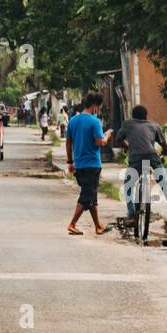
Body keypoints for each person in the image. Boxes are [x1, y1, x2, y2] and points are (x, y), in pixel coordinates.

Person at [114, 105, 167, 229]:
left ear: (133, 116)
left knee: (128, 185)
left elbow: (118, 140)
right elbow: (165, 147)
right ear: (146, 116)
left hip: (135, 158)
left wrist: (127, 146)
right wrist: (165, 153)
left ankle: (132, 215)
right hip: (152, 156)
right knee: (165, 185)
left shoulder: (127, 124)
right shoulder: (154, 126)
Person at [65, 92, 108, 235]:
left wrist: (70, 161)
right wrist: (107, 136)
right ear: (95, 106)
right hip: (92, 164)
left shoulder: (73, 120)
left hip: (79, 165)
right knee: (87, 195)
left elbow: (68, 142)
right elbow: (99, 142)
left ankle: (98, 226)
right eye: (99, 107)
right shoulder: (95, 122)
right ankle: (72, 224)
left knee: (91, 196)